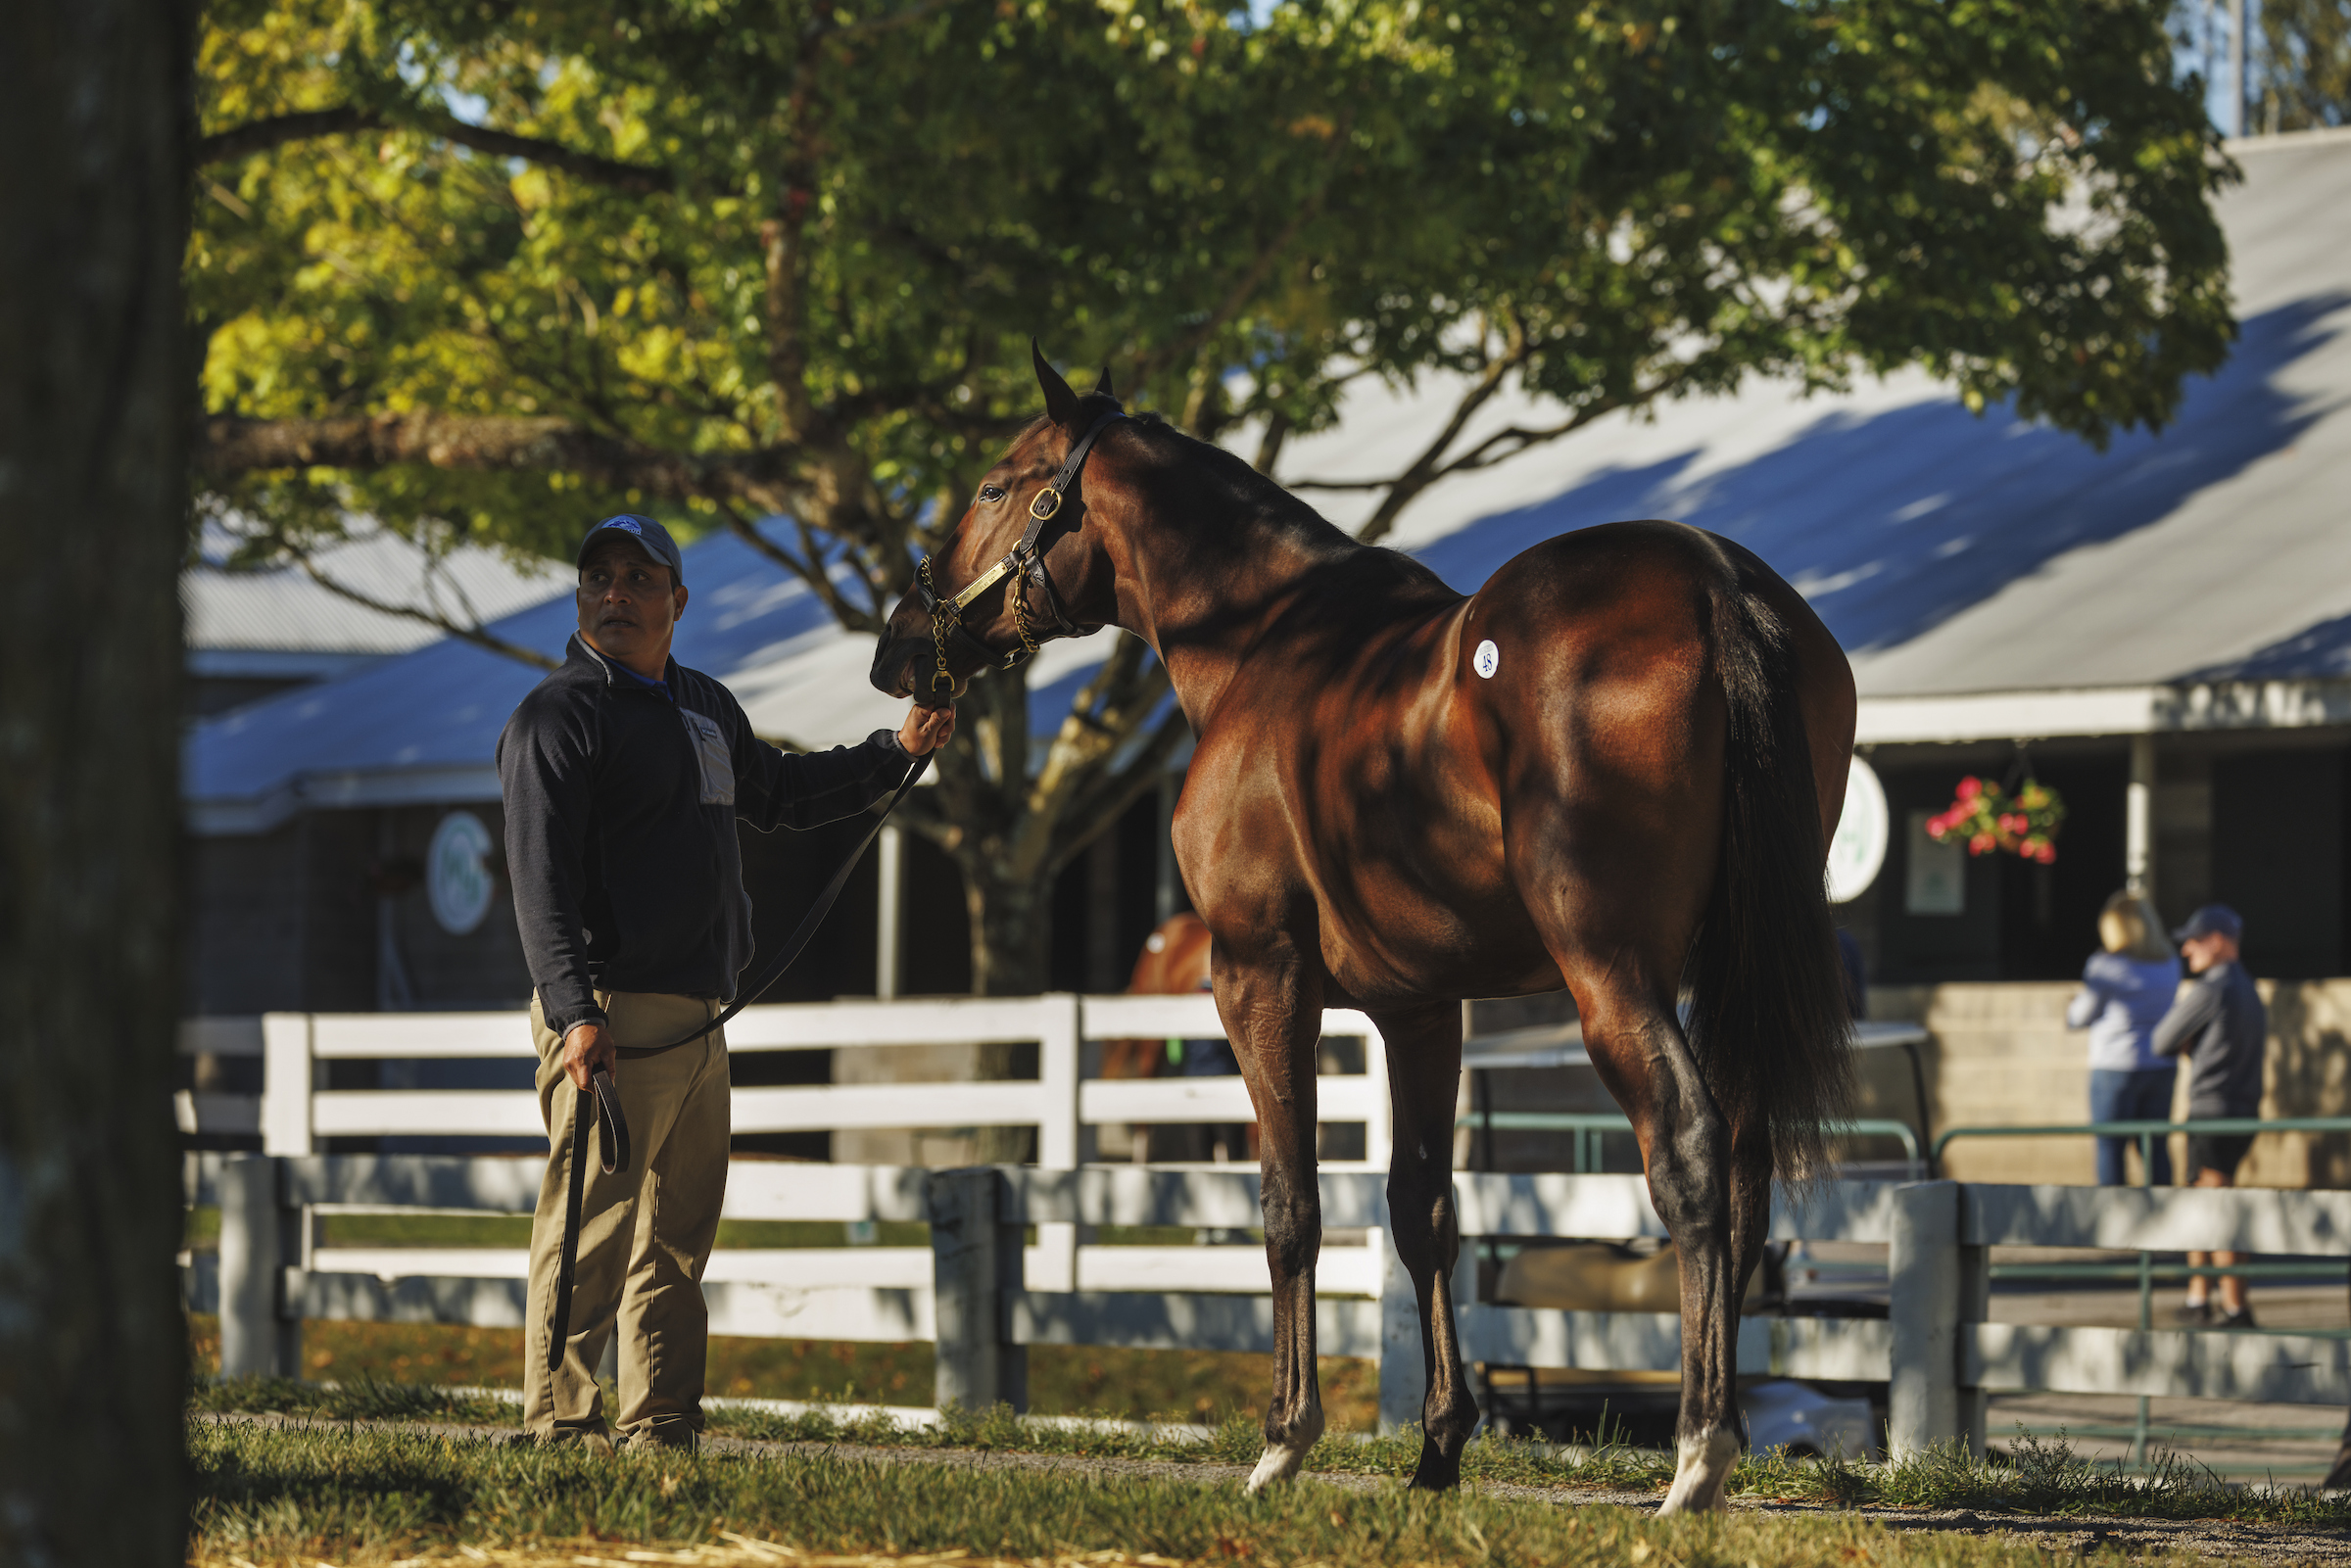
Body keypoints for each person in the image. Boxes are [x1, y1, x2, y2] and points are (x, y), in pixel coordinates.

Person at [499, 513, 955, 1450]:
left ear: (678, 599)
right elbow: (539, 881)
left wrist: (895, 750)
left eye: (638, 577)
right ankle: (561, 1428)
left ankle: (660, 1424)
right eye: (598, 577)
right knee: (591, 1229)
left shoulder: (703, 703)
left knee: (676, 1237)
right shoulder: (558, 717)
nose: (615, 593)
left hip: (701, 1018)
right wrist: (575, 1011)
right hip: (610, 1016)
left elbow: (779, 792)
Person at [2151, 903, 2267, 1328]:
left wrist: (2189, 1044)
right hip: (2242, 1111)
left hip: (2211, 1113)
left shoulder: (2213, 988)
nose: (2187, 951)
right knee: (2204, 1199)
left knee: (2215, 1207)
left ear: (2217, 942)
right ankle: (2199, 1296)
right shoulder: (2249, 989)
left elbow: (2161, 1040)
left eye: (2195, 942)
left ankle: (2235, 1307)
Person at [2066, 890, 2183, 1186]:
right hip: (2161, 1065)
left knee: (2110, 1147)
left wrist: (2069, 1007)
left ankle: (2112, 1208)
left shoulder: (2106, 965)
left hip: (2115, 1066)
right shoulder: (2170, 963)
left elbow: (2080, 1016)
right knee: (2156, 1147)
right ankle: (2164, 1205)